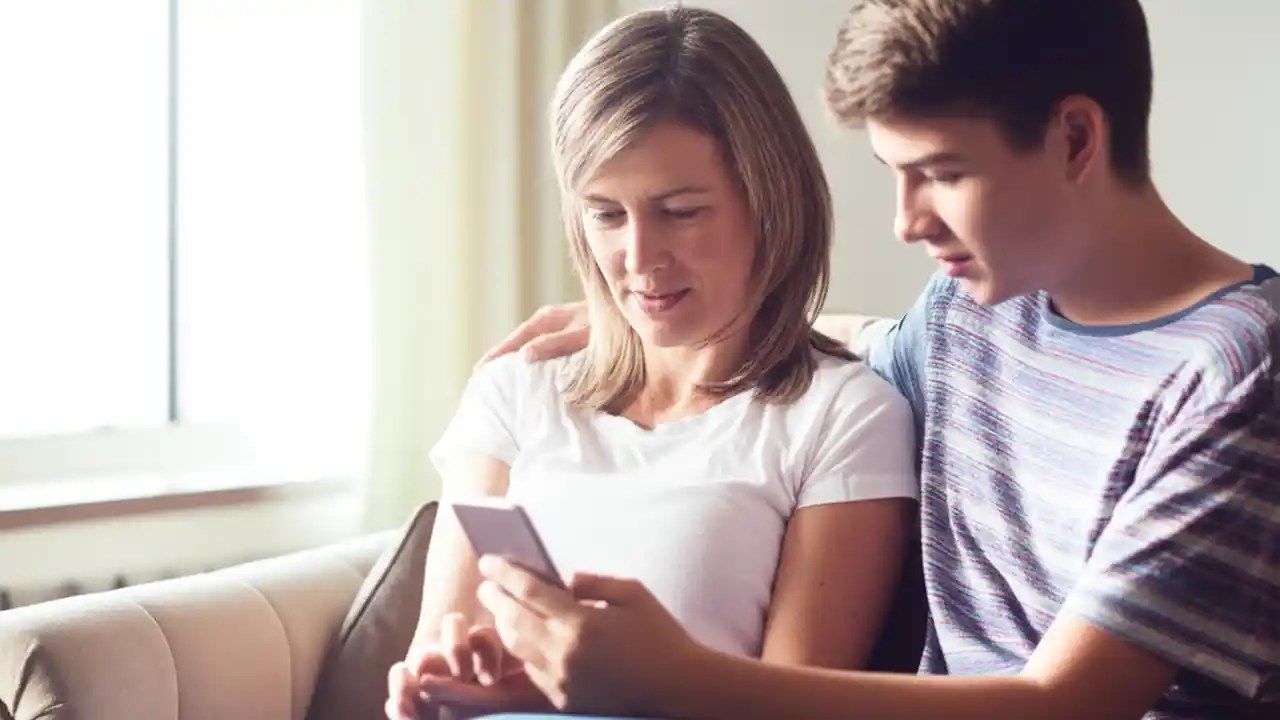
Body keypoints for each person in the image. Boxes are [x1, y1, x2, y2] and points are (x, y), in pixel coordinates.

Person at [447, 1, 1280, 718]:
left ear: (1073, 138)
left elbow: (1066, 705)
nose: (906, 222)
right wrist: (632, 312)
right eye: (894, 174)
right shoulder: (968, 314)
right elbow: (827, 338)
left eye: (941, 173)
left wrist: (666, 674)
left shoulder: (1236, 374)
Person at [384, 7, 921, 720]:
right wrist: (434, 689)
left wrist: (635, 680)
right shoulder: (516, 390)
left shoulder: (843, 416)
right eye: (606, 214)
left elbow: (800, 702)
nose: (639, 259)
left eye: (680, 211)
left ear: (770, 201)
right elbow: (437, 651)